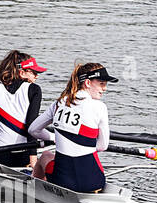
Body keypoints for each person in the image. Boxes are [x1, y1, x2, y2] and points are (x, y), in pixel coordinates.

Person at [29, 61, 119, 192]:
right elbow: (102, 146)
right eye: (101, 83)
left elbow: (33, 130)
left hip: (62, 180)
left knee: (46, 155)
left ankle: (35, 190)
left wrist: (54, 137)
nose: (104, 88)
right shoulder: (100, 107)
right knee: (89, 158)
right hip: (93, 182)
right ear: (87, 83)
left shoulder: (59, 103)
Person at [0, 51, 47, 166]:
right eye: (34, 72)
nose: (37, 76)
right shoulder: (35, 90)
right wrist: (33, 159)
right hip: (23, 158)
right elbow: (32, 126)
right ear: (22, 72)